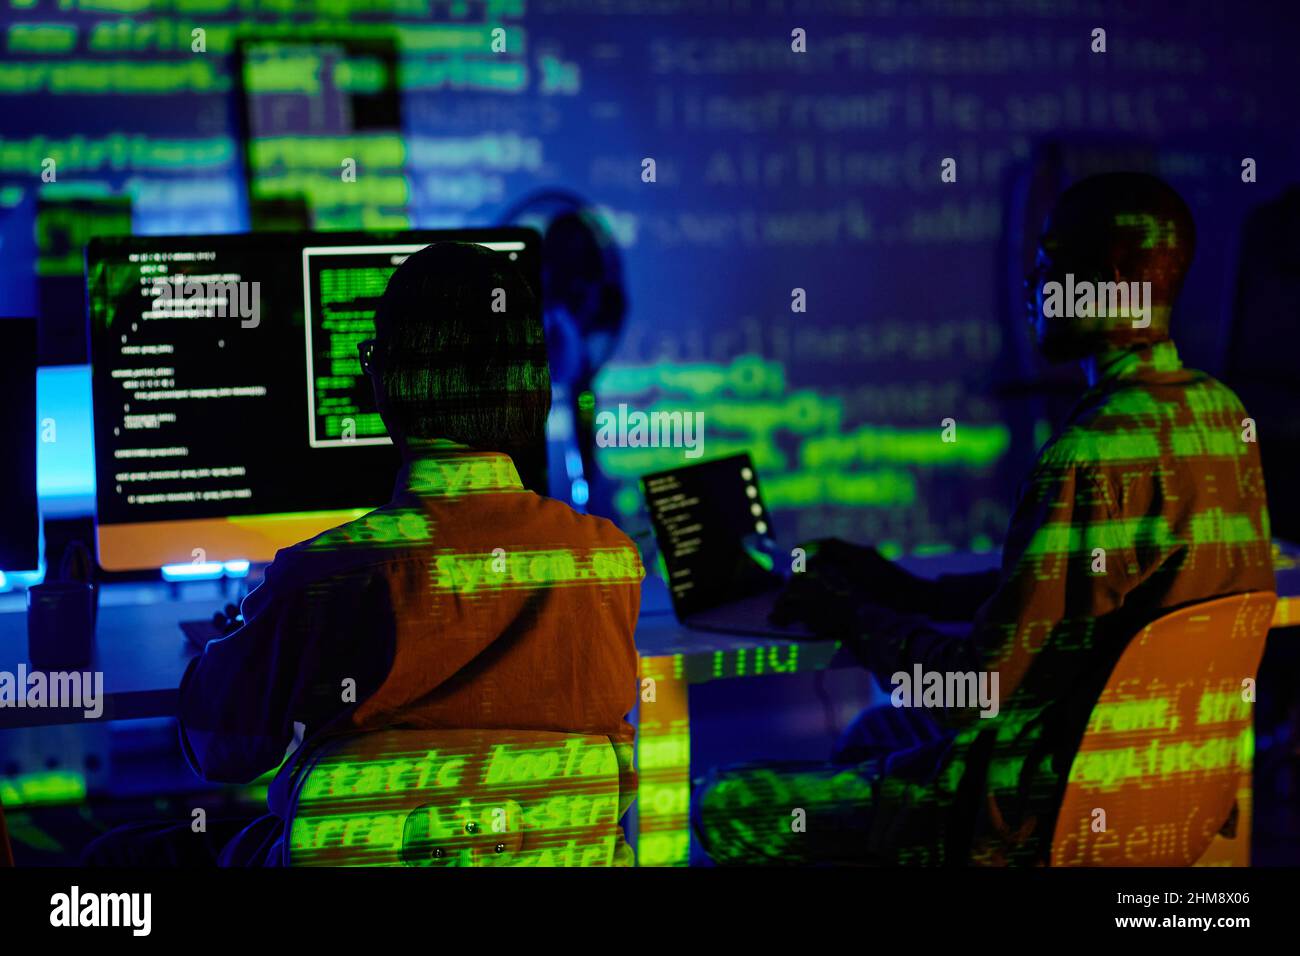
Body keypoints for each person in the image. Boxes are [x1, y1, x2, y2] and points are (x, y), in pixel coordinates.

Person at [694, 172, 1275, 866]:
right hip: (1162, 792)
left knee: (725, 804)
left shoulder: (1088, 455)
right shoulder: (1223, 416)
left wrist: (851, 616)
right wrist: (912, 592)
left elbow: (972, 694)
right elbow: (1082, 602)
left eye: (1050, 259)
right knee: (879, 731)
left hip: (1030, 814)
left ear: (1113, 277)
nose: (1032, 280)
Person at [87, 242, 643, 866]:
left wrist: (235, 642)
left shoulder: (322, 576)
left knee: (115, 857)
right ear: (533, 384)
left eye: (375, 355)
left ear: (390, 381)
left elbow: (223, 746)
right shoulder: (609, 563)